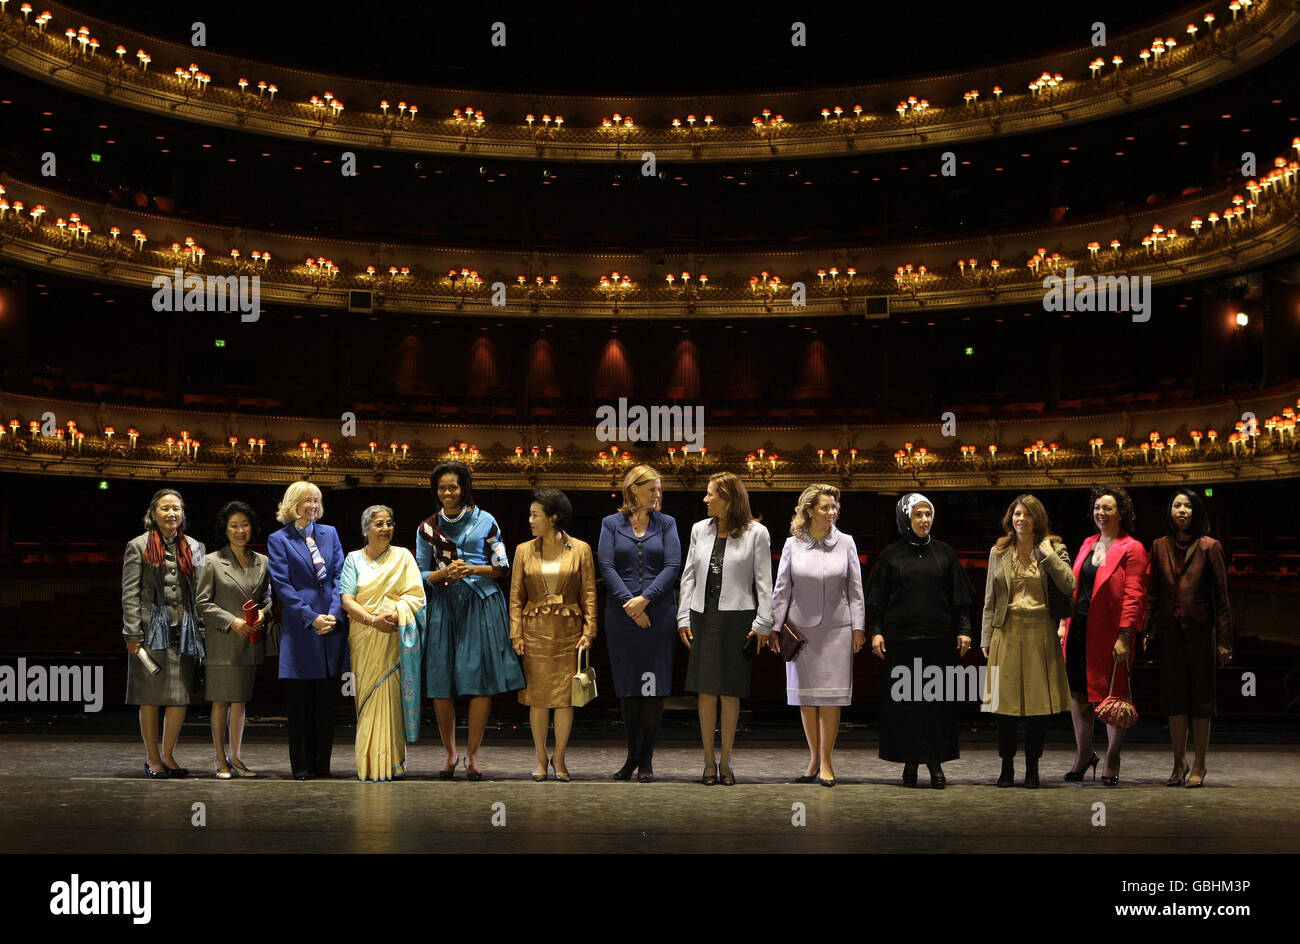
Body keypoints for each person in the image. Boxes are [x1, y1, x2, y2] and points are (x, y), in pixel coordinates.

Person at [414, 461, 524, 781]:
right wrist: (443, 573)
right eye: (442, 488)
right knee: (441, 682)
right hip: (444, 605)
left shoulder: (486, 521)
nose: (447, 493)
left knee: (479, 681)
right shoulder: (426, 529)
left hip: (481, 604)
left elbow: (502, 566)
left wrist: (472, 569)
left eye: (453, 487)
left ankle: (473, 756)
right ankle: (450, 754)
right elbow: (419, 574)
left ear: (464, 488)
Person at [866, 493, 975, 788]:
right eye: (918, 515)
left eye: (928, 514)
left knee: (935, 705)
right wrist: (876, 631)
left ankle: (935, 763)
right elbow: (876, 601)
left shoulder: (945, 553)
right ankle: (910, 760)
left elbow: (960, 599)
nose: (924, 520)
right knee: (907, 706)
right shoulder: (890, 555)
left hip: (938, 642)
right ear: (905, 518)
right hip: (900, 643)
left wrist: (964, 629)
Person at [765, 485, 865, 788]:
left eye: (834, 507)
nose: (831, 512)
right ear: (809, 510)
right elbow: (781, 591)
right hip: (801, 633)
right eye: (825, 507)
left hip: (837, 631)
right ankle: (812, 759)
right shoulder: (792, 545)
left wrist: (858, 628)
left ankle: (827, 763)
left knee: (831, 699)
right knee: (807, 700)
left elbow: (855, 590)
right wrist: (774, 627)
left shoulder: (846, 542)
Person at [678, 472, 772, 786]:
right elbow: (688, 576)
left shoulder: (757, 533)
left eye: (710, 494)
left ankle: (726, 761)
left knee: (730, 693)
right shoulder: (697, 531)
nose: (705, 499)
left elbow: (764, 583)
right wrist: (683, 617)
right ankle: (707, 762)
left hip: (739, 619)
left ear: (728, 498)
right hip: (703, 617)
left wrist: (763, 623)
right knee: (705, 691)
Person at [979, 494, 1074, 789]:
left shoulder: (1054, 547)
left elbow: (1069, 583)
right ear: (1011, 518)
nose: (1021, 519)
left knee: (1037, 708)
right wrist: (985, 636)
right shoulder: (999, 550)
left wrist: (1046, 554)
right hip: (1006, 631)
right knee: (1004, 708)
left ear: (1037, 519)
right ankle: (1006, 766)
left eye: (1027, 515)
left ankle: (1032, 767)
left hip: (1040, 632)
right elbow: (990, 599)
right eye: (1017, 514)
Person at [597, 465, 681, 782]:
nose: (657, 496)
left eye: (659, 490)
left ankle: (646, 759)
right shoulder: (611, 523)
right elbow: (606, 565)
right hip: (621, 616)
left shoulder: (667, 523)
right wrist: (629, 603)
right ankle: (632, 755)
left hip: (658, 614)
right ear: (634, 490)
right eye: (652, 490)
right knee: (630, 689)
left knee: (653, 688)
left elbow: (673, 565)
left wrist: (645, 600)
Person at [1062, 485, 1149, 787]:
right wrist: (1064, 623)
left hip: (1111, 634)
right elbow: (1073, 587)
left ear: (1121, 512)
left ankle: (1112, 758)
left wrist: (1125, 634)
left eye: (1108, 507)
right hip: (1079, 628)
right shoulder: (1088, 543)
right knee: (1078, 696)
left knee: (1113, 697)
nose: (1101, 512)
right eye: (1098, 507)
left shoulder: (1132, 547)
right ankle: (1083, 756)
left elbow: (1134, 595)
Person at [509, 488, 597, 782]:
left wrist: (590, 631)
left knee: (564, 698)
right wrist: (516, 634)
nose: (530, 519)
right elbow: (516, 596)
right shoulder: (523, 550)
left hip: (568, 633)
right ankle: (539, 758)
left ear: (553, 517)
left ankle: (559, 758)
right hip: (534, 632)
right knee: (538, 698)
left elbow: (589, 593)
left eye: (536, 514)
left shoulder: (581, 549)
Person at [1147, 489, 1232, 788]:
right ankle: (1178, 762)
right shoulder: (1158, 546)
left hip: (1200, 635)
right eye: (1176, 505)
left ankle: (1200, 764)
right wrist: (1149, 629)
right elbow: (1153, 595)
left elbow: (1222, 598)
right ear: (1169, 511)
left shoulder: (1211, 547)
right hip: (1170, 635)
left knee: (1201, 702)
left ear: (1196, 512)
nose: (1181, 510)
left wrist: (1224, 641)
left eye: (1187, 506)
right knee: (1174, 702)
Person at [122, 488, 206, 778]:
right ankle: (152, 758)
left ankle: (169, 755)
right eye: (165, 508)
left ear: (183, 514)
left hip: (184, 631)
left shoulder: (195, 546)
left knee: (180, 696)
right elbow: (130, 593)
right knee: (150, 697)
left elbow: (199, 593)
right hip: (149, 631)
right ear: (153, 513)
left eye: (177, 509)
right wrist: (132, 633)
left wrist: (202, 630)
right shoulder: (138, 545)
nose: (172, 513)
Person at [339, 506, 425, 782]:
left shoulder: (403, 557)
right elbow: (347, 599)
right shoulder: (353, 559)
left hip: (392, 635)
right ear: (366, 530)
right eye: (379, 524)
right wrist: (372, 619)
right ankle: (368, 764)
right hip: (364, 636)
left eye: (390, 523)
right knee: (367, 699)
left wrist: (396, 611)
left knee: (390, 699)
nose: (386, 528)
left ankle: (393, 764)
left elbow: (416, 596)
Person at [267, 481, 347, 781]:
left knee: (325, 704)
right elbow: (283, 586)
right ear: (293, 504)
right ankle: (301, 767)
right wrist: (311, 617)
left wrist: (334, 613)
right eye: (306, 500)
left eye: (316, 500)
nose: (312, 506)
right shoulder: (279, 539)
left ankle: (322, 766)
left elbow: (341, 576)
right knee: (300, 704)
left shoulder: (330, 533)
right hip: (301, 628)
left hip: (331, 625)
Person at [195, 500, 271, 779]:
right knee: (220, 701)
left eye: (245, 525)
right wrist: (232, 621)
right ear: (225, 531)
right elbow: (202, 603)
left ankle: (236, 757)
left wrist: (264, 612)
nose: (241, 530)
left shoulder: (262, 561)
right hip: (222, 641)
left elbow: (270, 597)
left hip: (250, 640)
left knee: (240, 702)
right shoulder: (211, 561)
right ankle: (219, 760)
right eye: (234, 526)